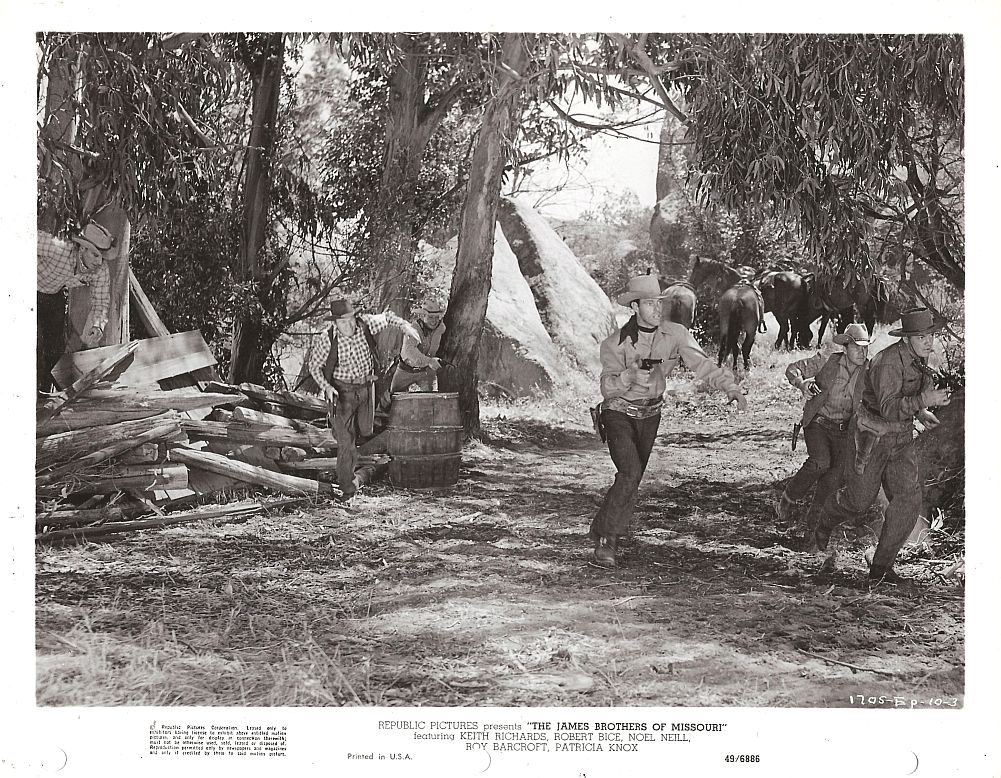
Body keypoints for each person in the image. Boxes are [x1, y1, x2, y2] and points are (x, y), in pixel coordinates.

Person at [589, 274, 748, 568]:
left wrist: (731, 388)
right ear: (635, 306)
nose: (656, 308)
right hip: (617, 412)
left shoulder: (675, 334)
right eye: (649, 303)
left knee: (632, 479)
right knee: (630, 472)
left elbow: (703, 364)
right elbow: (606, 388)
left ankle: (601, 527)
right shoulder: (614, 344)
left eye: (658, 302)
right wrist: (628, 376)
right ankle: (606, 541)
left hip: (650, 415)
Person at [806, 307, 952, 587]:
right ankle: (825, 519)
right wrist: (924, 400)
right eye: (921, 337)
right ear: (907, 338)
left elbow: (904, 398)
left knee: (909, 500)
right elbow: (887, 408)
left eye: (930, 335)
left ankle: (881, 568)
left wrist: (922, 413)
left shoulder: (918, 361)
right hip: (870, 438)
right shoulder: (888, 362)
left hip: (901, 439)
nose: (927, 342)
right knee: (859, 501)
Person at [308, 293, 422, 501]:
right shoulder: (327, 338)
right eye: (343, 321)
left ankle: (352, 463)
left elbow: (388, 317)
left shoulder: (366, 323)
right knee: (346, 440)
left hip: (365, 389)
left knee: (365, 430)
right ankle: (347, 489)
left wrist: (406, 327)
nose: (348, 325)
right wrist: (326, 387)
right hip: (340, 392)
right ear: (336, 322)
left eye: (350, 319)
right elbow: (314, 367)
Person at [775, 323, 871, 538]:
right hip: (818, 423)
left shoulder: (869, 370)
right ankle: (788, 500)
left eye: (865, 348)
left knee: (836, 475)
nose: (862, 353)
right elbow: (793, 369)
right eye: (857, 347)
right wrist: (802, 385)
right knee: (820, 462)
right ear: (845, 348)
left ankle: (813, 518)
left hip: (844, 430)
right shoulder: (827, 360)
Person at [36, 222, 117, 391]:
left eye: (102, 256)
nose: (99, 261)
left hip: (53, 295)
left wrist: (97, 325)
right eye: (95, 255)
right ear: (82, 249)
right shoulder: (58, 247)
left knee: (55, 350)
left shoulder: (100, 270)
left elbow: (101, 301)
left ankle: (44, 395)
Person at [390, 298, 446, 394]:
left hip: (426, 372)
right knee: (393, 398)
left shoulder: (441, 328)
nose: (434, 321)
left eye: (436, 317)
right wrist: (430, 361)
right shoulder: (413, 329)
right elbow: (409, 350)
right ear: (422, 316)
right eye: (430, 317)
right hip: (406, 370)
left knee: (432, 400)